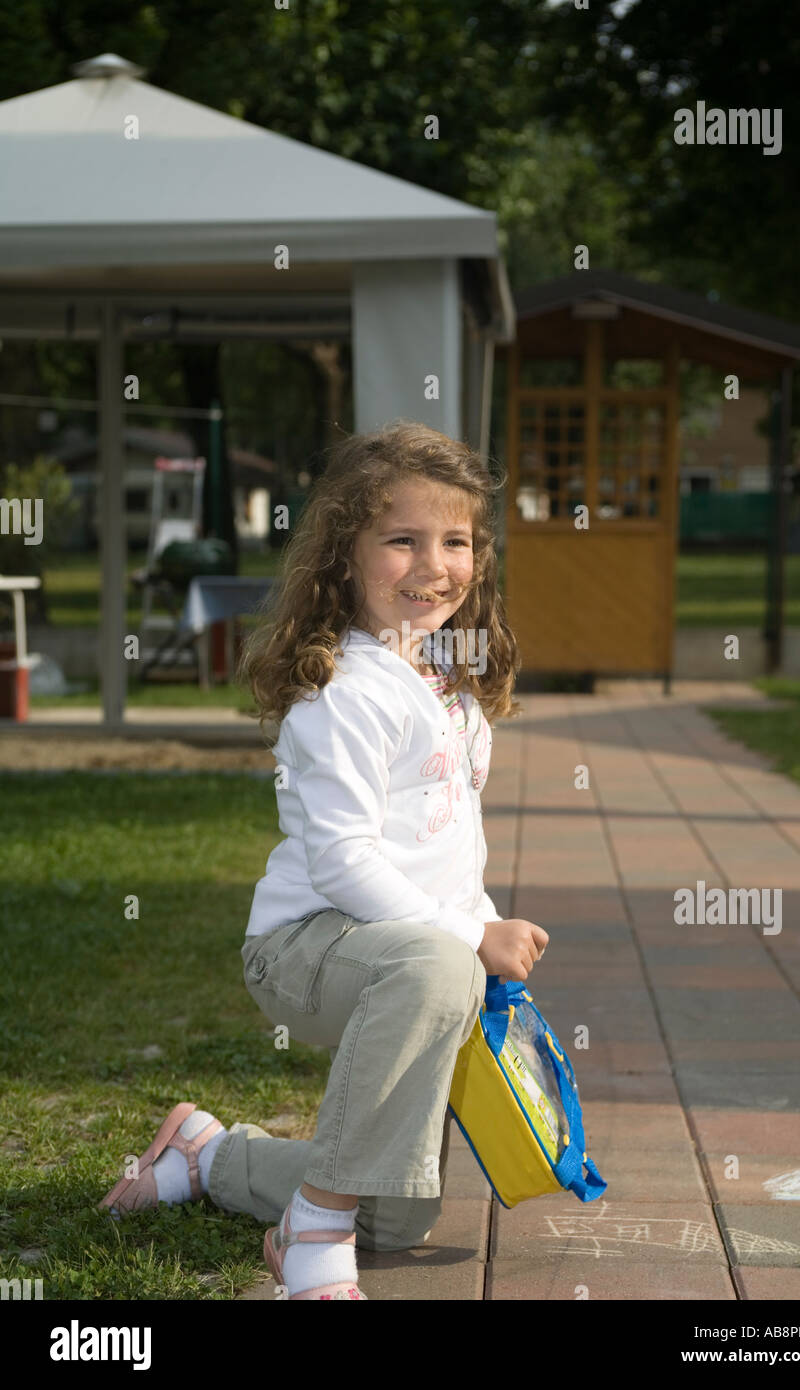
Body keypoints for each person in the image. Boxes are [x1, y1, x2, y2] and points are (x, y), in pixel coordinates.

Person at [99, 419, 549, 1300]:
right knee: (436, 966)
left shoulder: (445, 684)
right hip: (306, 947)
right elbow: (344, 862)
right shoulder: (341, 691)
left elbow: (443, 849)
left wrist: (484, 922)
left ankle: (211, 1153)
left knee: (400, 1218)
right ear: (344, 556)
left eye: (454, 540)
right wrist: (467, 938)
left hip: (406, 953)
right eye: (402, 541)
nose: (433, 564)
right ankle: (311, 1228)